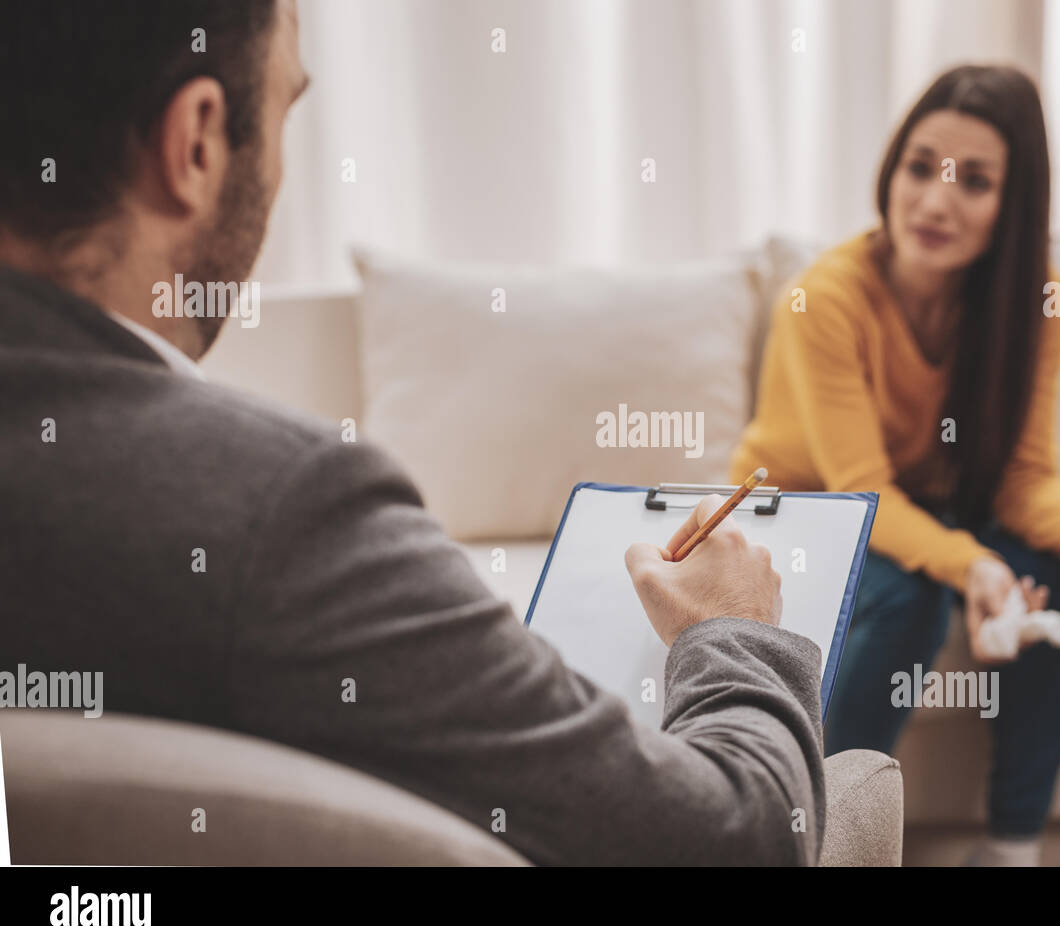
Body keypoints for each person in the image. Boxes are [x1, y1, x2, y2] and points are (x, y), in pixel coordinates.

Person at [0, 0, 830, 866]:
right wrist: (732, 630)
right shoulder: (282, 513)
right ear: (198, 143)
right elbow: (743, 840)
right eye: (288, 109)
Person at [730, 64, 1060, 866]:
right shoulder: (825, 299)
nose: (935, 201)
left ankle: (1009, 849)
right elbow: (861, 493)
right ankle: (824, 843)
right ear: (891, 169)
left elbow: (1023, 481)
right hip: (807, 509)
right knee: (913, 602)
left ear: (1012, 204)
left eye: (975, 181)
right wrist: (974, 567)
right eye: (920, 166)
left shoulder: (1031, 303)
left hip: (920, 507)